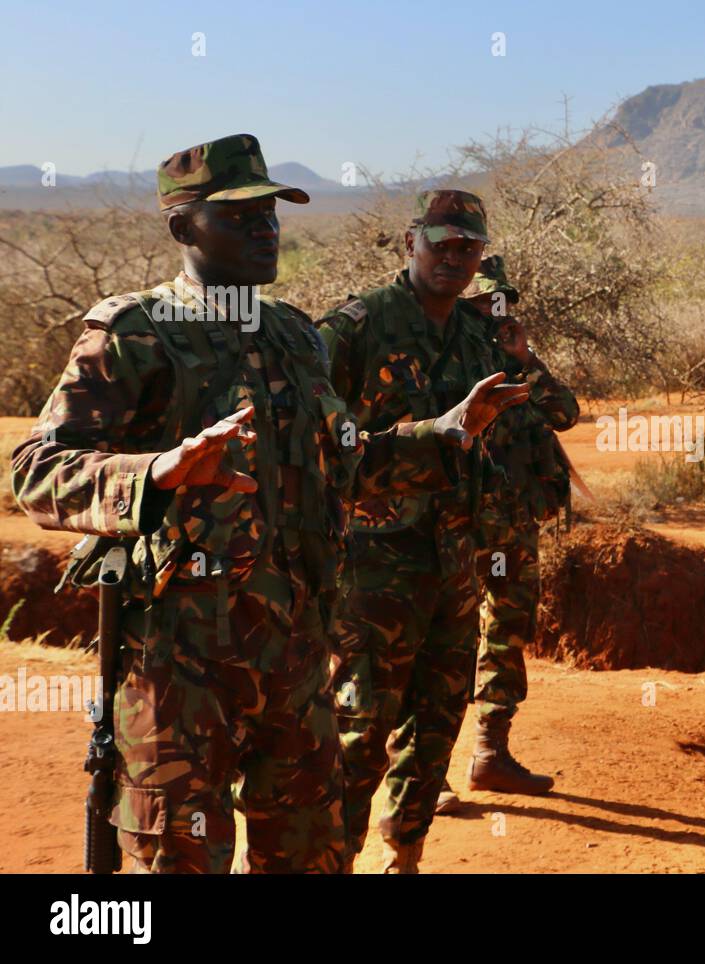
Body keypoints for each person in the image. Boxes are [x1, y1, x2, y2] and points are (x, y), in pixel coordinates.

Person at [9, 134, 526, 874]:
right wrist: (156, 471)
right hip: (180, 669)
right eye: (239, 217)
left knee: (314, 859)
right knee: (182, 861)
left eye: (271, 214)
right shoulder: (135, 332)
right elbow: (36, 470)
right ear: (183, 226)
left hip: (295, 658)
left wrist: (445, 433)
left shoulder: (292, 335)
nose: (265, 230)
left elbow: (344, 465)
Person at [318, 192, 536, 872]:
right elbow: (321, 443)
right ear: (409, 242)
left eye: (466, 247)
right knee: (359, 734)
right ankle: (328, 861)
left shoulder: (477, 338)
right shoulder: (356, 328)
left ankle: (403, 856)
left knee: (437, 723)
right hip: (372, 569)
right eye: (440, 243)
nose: (453, 256)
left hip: (454, 564)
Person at [436, 256, 579, 814]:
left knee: (506, 631)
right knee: (444, 641)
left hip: (512, 525)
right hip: (453, 525)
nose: (495, 312)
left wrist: (526, 359)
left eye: (501, 303)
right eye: (483, 303)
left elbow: (565, 413)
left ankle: (491, 752)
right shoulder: (437, 361)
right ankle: (430, 773)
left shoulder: (514, 364)